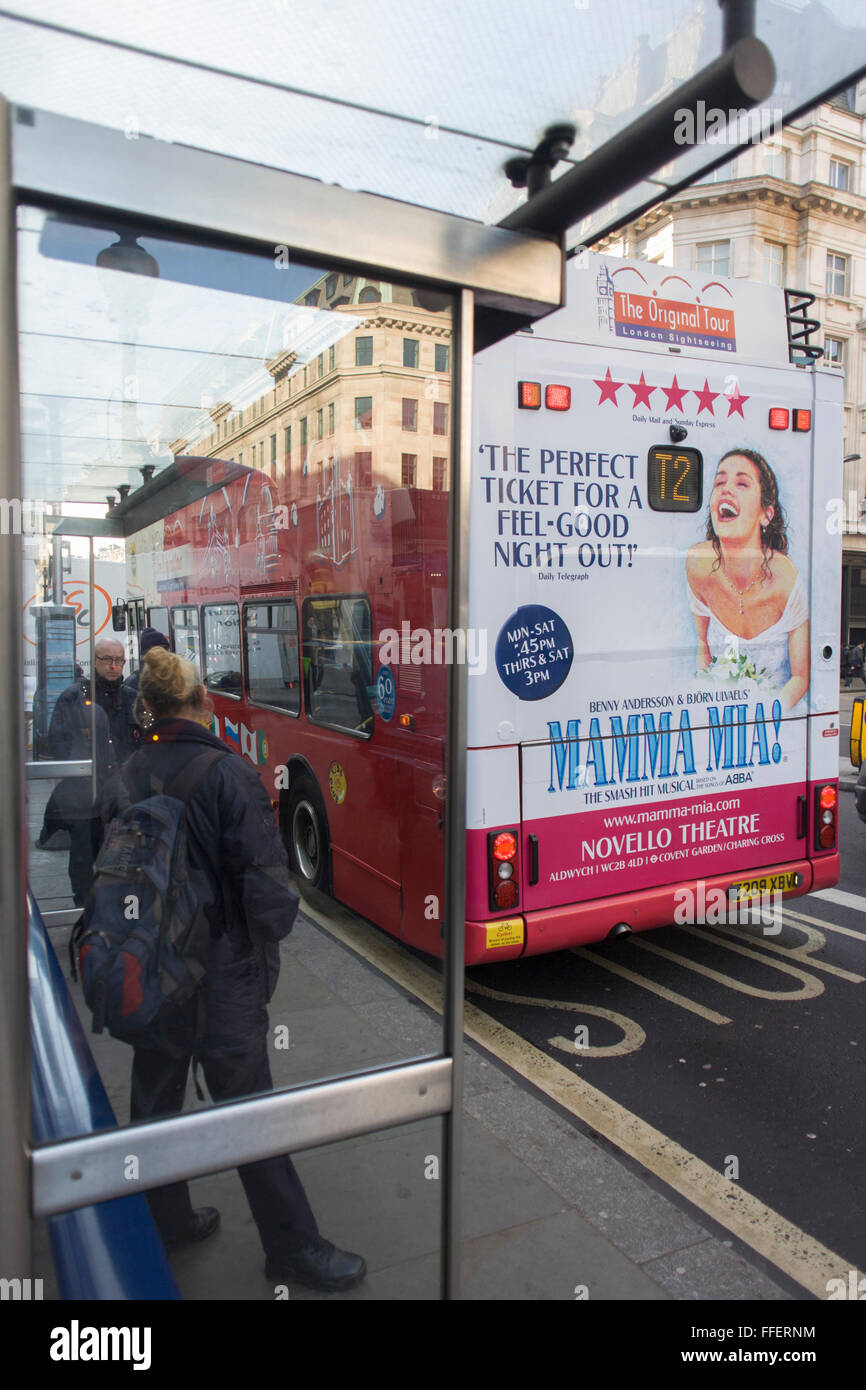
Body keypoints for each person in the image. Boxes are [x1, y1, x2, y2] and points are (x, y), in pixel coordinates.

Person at [120, 646, 366, 1293]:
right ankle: (292, 1249)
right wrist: (265, 947)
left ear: (150, 703)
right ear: (201, 699)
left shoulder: (133, 766)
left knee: (155, 1101)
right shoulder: (227, 774)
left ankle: (165, 1219)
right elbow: (267, 887)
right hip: (221, 973)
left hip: (150, 969)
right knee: (250, 1110)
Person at [685, 448, 809, 712]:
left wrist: (763, 718)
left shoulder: (785, 578)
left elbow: (800, 678)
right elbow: (703, 649)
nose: (726, 490)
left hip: (780, 719)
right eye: (719, 482)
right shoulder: (698, 564)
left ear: (766, 514)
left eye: (741, 483)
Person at [46, 637, 140, 904]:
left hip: (122, 799)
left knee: (123, 864)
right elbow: (57, 744)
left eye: (119, 660)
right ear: (94, 661)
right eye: (107, 660)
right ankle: (85, 914)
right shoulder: (73, 699)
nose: (114, 666)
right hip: (84, 799)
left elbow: (144, 744)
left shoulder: (132, 699)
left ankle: (118, 915)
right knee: (83, 863)